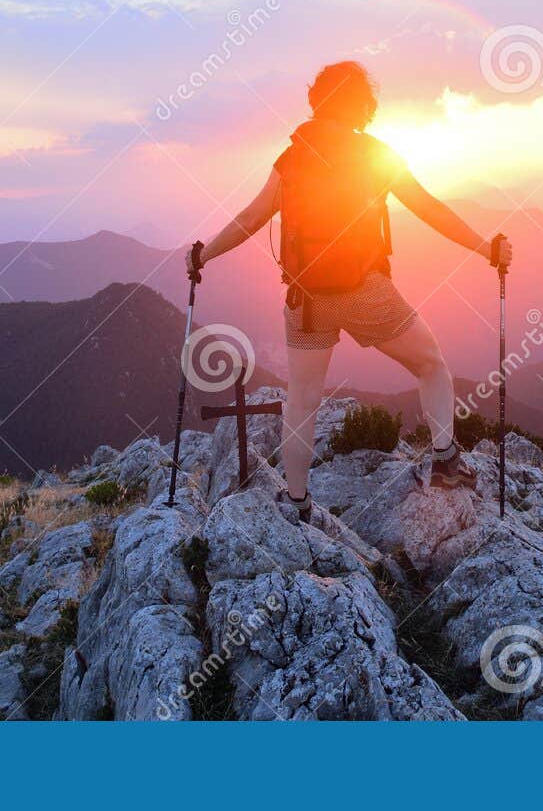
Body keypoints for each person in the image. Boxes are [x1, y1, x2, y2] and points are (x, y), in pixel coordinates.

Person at [188, 60, 512, 522]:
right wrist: (486, 247)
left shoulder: (291, 159)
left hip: (305, 297)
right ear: (362, 106)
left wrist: (203, 255)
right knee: (431, 365)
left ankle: (297, 502)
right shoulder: (374, 155)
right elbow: (428, 209)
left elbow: (249, 219)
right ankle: (444, 460)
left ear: (318, 101)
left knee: (302, 398)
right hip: (365, 291)